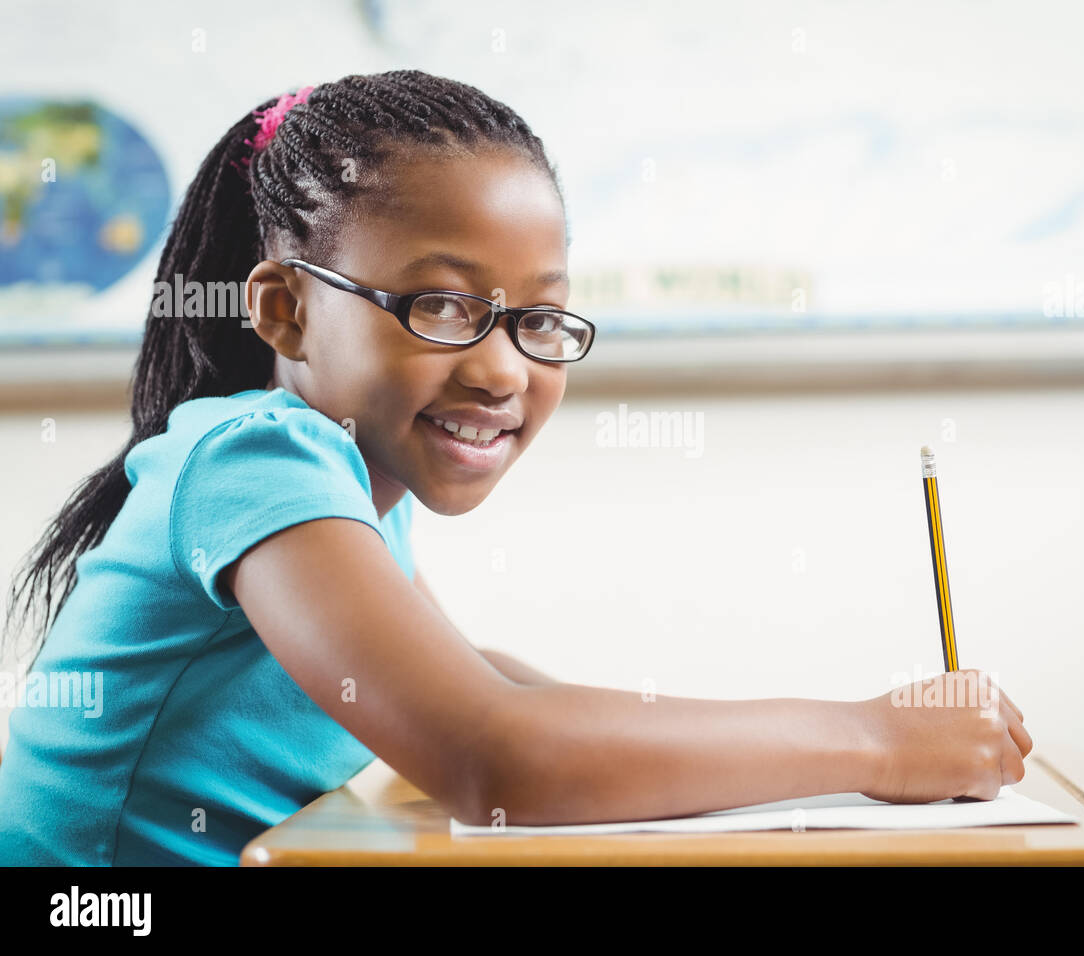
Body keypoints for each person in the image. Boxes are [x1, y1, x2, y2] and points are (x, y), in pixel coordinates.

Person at [0, 69, 1030, 866]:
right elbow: (493, 753)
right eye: (441, 305)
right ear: (284, 310)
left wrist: (835, 729)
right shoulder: (259, 459)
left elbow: (479, 679)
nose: (500, 369)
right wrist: (872, 741)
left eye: (536, 318)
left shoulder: (345, 478)